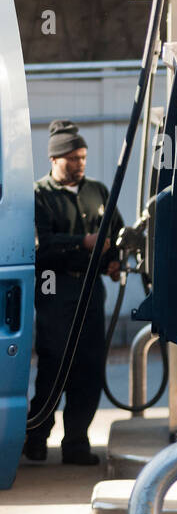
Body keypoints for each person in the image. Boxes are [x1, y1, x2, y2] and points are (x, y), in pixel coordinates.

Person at [26, 120, 124, 465]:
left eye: (82, 157)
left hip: (90, 287)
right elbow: (41, 245)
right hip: (54, 283)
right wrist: (82, 242)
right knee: (54, 362)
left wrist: (114, 261)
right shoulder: (38, 195)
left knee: (89, 365)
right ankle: (36, 435)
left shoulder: (98, 191)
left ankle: (77, 442)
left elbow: (117, 231)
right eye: (72, 159)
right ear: (54, 160)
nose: (80, 164)